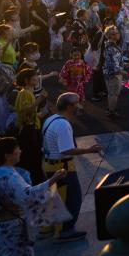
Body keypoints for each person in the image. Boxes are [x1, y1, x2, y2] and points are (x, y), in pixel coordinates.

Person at [0, 136, 68, 256]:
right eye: (17, 149)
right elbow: (28, 195)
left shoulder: (0, 173)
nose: (20, 151)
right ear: (7, 155)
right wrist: (52, 180)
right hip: (12, 226)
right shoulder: (9, 176)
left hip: (2, 226)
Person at [41, 92, 101, 241]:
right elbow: (66, 150)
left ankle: (48, 228)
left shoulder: (51, 119)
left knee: (54, 198)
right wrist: (89, 150)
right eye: (76, 105)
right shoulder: (63, 125)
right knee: (71, 199)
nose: (78, 109)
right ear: (69, 107)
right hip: (61, 167)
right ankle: (65, 231)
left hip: (49, 164)